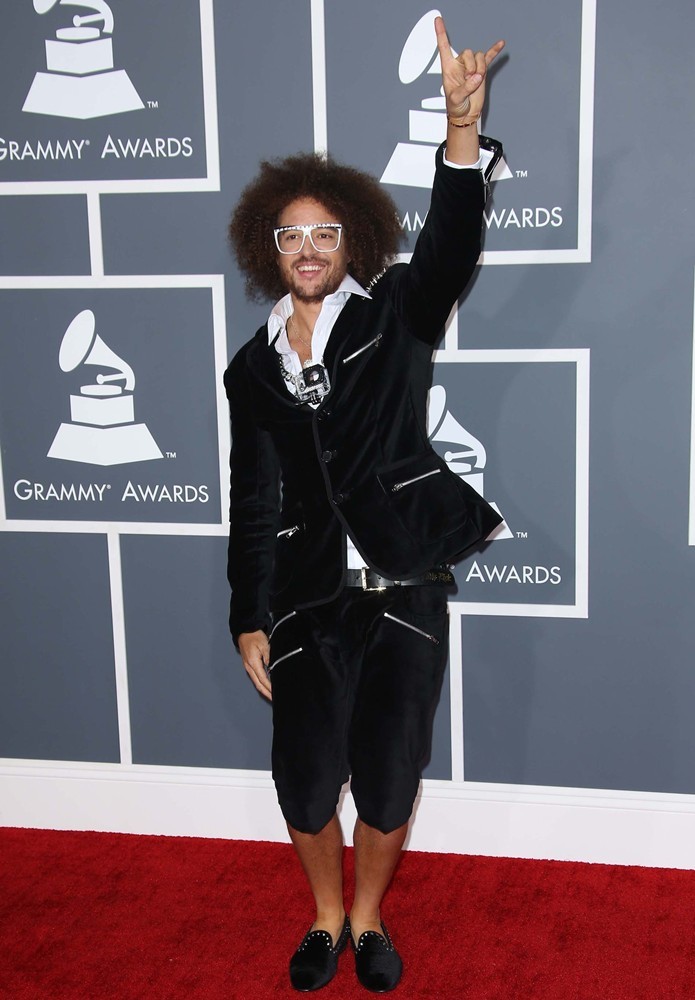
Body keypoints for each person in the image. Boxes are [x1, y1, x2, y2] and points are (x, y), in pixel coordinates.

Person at [225, 16, 505, 993]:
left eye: (324, 232)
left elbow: (453, 248)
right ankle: (323, 914)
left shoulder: (394, 315)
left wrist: (460, 129)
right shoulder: (250, 368)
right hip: (307, 600)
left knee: (389, 778)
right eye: (290, 234)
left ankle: (369, 915)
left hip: (405, 589)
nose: (307, 248)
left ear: (352, 239)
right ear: (269, 248)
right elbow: (251, 497)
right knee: (304, 781)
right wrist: (248, 613)